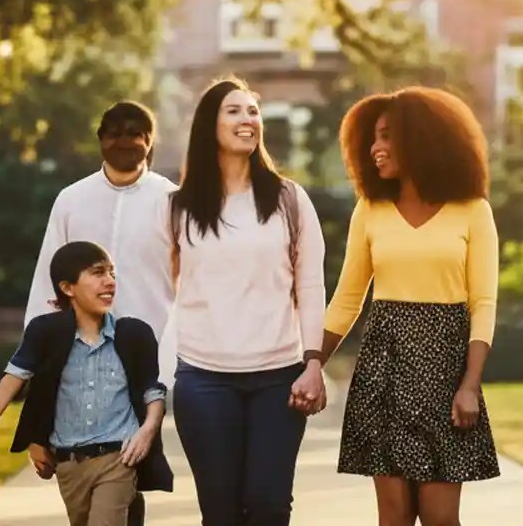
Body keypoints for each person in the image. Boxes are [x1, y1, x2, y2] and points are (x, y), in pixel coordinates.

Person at [316, 86, 501, 526]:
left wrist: (470, 383)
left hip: (446, 370)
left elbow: (483, 303)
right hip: (385, 369)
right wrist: (311, 362)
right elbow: (347, 297)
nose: (375, 149)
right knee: (394, 517)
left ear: (420, 139)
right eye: (372, 139)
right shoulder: (371, 209)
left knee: (440, 517)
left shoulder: (473, 210)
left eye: (385, 137)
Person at [162, 77, 327, 526]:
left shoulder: (289, 200)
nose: (248, 119)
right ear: (208, 125)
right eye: (234, 110)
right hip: (204, 379)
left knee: (270, 506)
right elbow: (159, 292)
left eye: (252, 110)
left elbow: (310, 287)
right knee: (220, 513)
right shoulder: (177, 208)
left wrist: (313, 363)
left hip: (279, 379)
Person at [23, 101, 177, 525]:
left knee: (131, 464)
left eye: (136, 131)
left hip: (145, 359)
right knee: (89, 481)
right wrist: (38, 362)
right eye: (115, 131)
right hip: (78, 356)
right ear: (100, 140)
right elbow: (45, 283)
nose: (125, 139)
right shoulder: (72, 200)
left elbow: (187, 287)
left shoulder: (171, 202)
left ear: (150, 141)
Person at [0, 241, 174, 526]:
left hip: (119, 458)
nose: (110, 281)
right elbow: (11, 384)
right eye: (97, 273)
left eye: (112, 273)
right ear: (68, 288)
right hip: (69, 465)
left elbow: (152, 390)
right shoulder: (46, 333)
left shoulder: (134, 334)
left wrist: (148, 429)